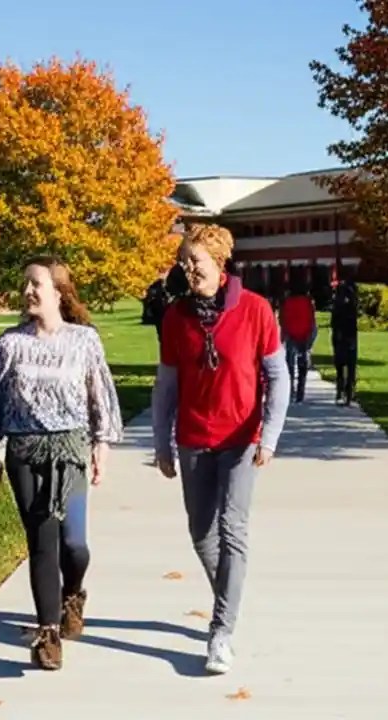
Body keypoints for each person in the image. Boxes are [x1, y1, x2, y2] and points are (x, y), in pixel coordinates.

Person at [0, 256, 124, 671]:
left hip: (70, 451)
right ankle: (48, 634)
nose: (28, 292)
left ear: (58, 292)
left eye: (36, 284)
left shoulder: (84, 341)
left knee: (74, 544)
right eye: (25, 284)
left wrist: (101, 448)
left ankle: (72, 594)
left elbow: (100, 397)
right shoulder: (11, 343)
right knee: (42, 542)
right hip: (24, 452)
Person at [151, 223, 290, 675]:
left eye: (197, 261)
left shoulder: (254, 310)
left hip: (240, 439)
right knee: (201, 532)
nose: (189, 269)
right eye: (185, 261)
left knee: (233, 529)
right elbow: (166, 386)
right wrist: (162, 442)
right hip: (194, 436)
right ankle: (230, 596)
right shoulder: (176, 317)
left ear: (220, 262)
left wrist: (269, 436)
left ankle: (221, 631)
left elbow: (278, 377)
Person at [279, 275, 318, 402]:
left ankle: (290, 390)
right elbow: (311, 320)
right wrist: (310, 337)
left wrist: (283, 335)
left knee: (290, 365)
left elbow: (283, 319)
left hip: (291, 336)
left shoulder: (287, 301)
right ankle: (301, 391)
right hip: (304, 336)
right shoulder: (308, 301)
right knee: (302, 366)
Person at [331, 277, 360, 405]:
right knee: (351, 365)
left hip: (339, 337)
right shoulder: (353, 305)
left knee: (340, 366)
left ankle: (340, 389)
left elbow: (333, 323)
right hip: (350, 337)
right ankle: (350, 390)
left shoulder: (337, 304)